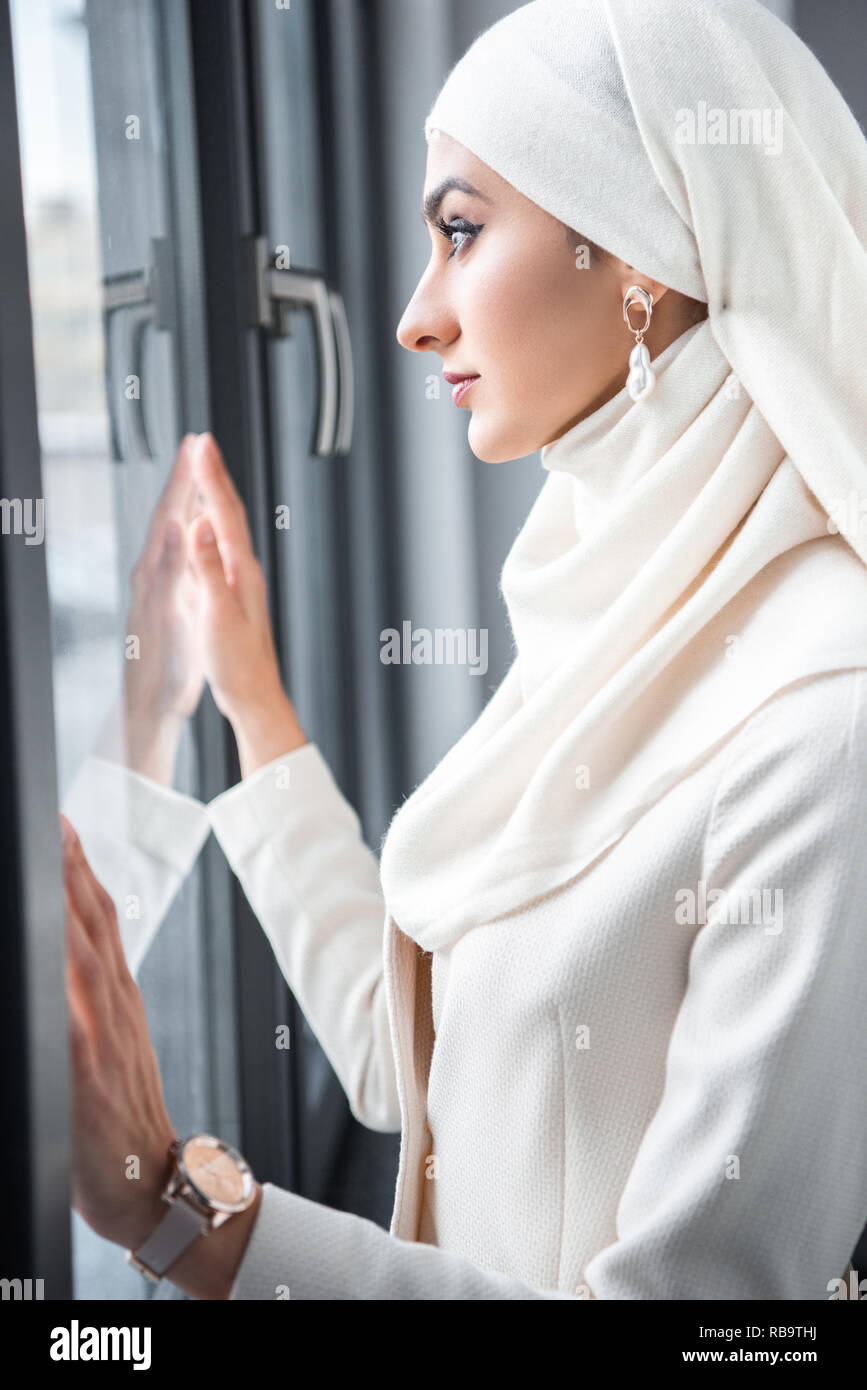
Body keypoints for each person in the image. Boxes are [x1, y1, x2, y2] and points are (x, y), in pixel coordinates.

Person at [62, 0, 867, 1299]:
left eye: (459, 231)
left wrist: (184, 1209)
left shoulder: (829, 712)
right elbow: (414, 1062)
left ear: (639, 256)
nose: (412, 319)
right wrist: (250, 697)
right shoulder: (619, 591)